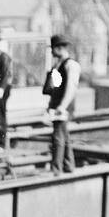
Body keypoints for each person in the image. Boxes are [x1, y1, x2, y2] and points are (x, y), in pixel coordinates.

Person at [44, 34, 81, 173]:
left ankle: (56, 169)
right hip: (57, 106)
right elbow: (55, 88)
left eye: (53, 48)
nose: (52, 52)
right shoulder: (58, 65)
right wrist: (51, 105)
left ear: (59, 48)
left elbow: (71, 87)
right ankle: (68, 165)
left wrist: (62, 106)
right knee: (63, 136)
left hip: (62, 107)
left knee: (58, 136)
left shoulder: (71, 65)